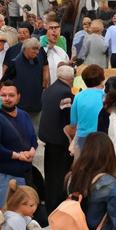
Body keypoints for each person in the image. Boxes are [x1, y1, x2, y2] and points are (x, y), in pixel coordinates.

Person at [0, 79, 38, 208]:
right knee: (3, 213)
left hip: (23, 174)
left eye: (11, 95)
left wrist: (32, 150)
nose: (7, 99)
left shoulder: (24, 115)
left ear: (18, 96)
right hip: (2, 176)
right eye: (3, 95)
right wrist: (18, 155)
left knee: (23, 214)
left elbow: (33, 138)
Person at [39, 64, 76, 214]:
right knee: (59, 177)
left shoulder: (50, 89)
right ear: (71, 79)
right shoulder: (65, 93)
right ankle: (57, 208)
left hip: (48, 139)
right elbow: (67, 118)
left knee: (50, 175)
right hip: (60, 141)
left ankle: (49, 205)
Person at [2, 37, 47, 122]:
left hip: (36, 106)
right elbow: (4, 84)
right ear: (25, 49)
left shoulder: (39, 60)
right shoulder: (15, 63)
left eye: (38, 49)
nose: (37, 52)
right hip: (19, 108)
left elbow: (45, 71)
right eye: (34, 49)